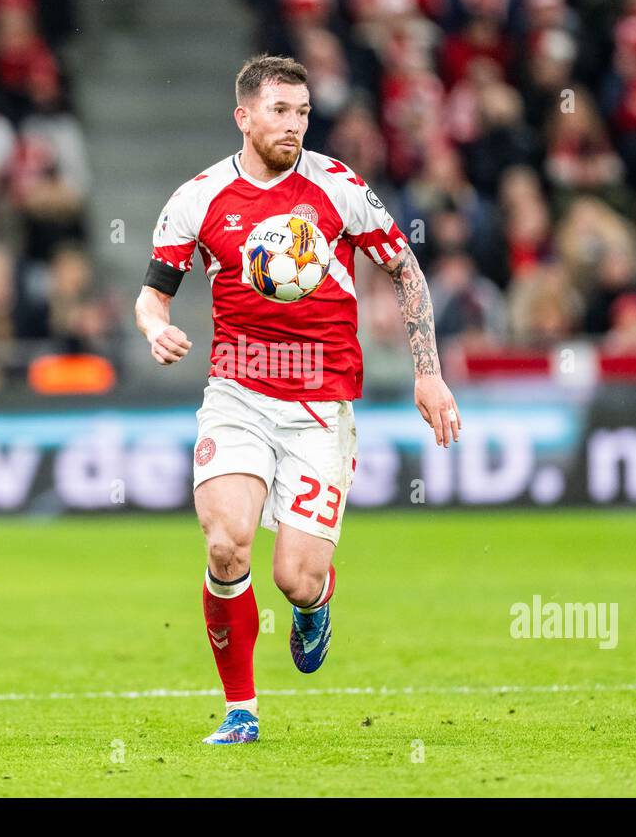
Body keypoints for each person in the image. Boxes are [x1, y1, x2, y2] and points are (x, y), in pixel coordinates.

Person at [133, 54, 460, 744]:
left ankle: (318, 602)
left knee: (296, 578)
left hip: (320, 404)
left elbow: (404, 270)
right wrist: (157, 327)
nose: (295, 124)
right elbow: (153, 290)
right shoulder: (198, 198)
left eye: (304, 112)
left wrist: (427, 372)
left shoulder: (337, 187)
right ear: (244, 117)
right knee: (226, 546)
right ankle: (241, 710)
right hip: (237, 393)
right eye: (280, 111)